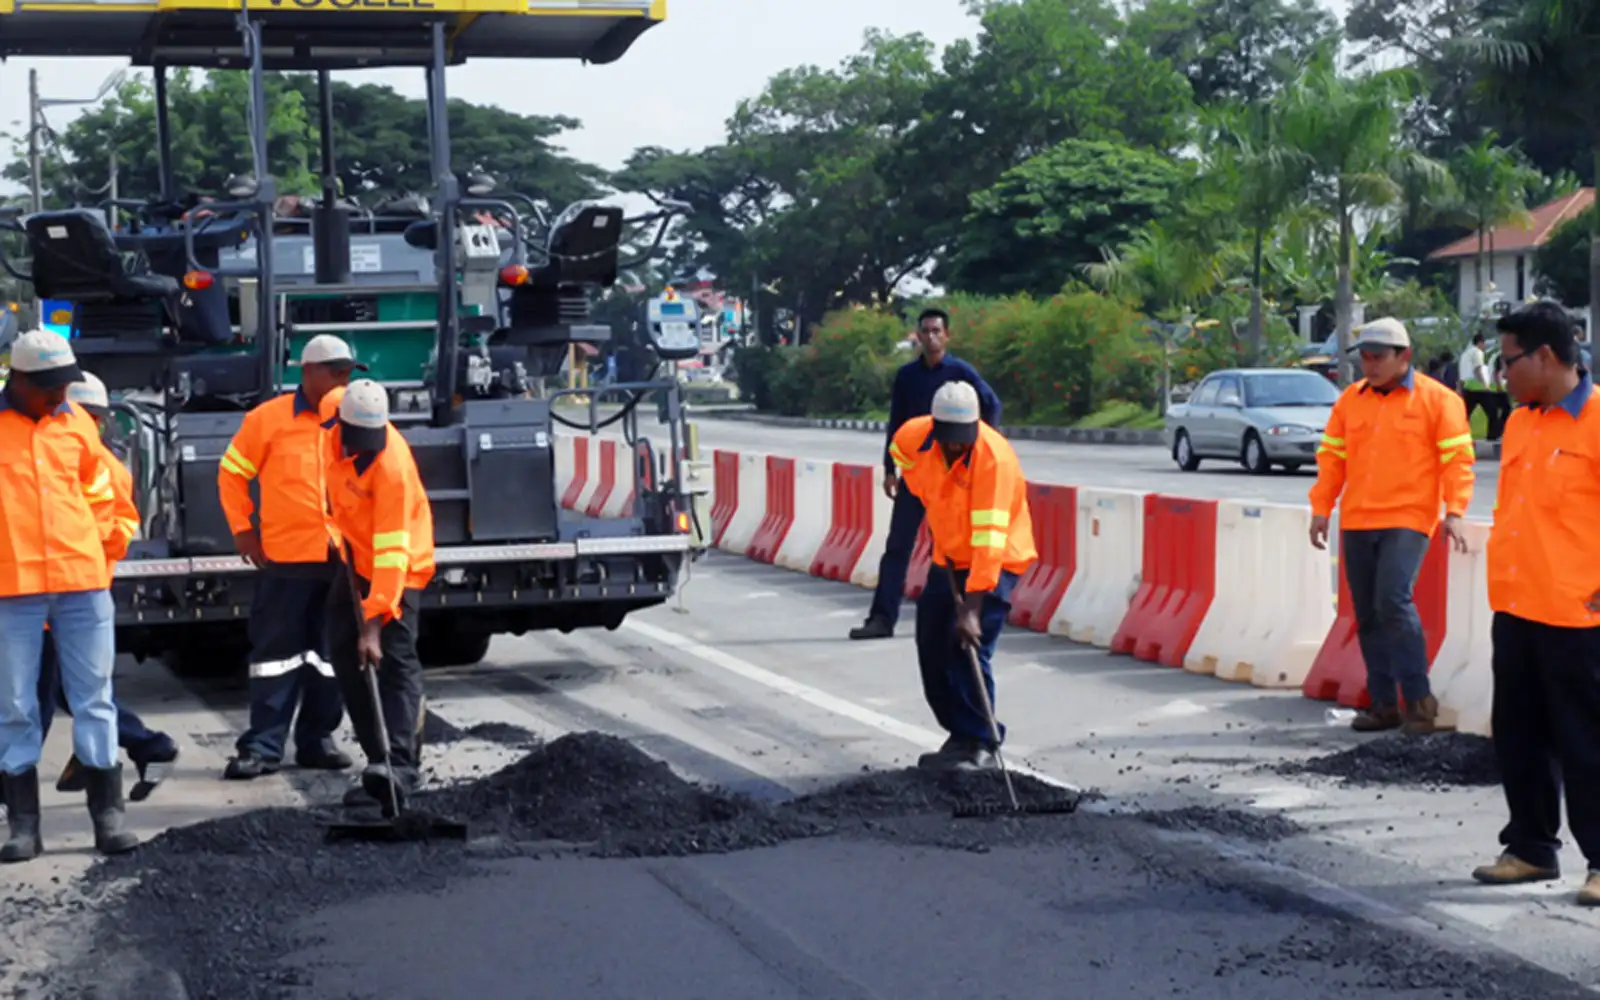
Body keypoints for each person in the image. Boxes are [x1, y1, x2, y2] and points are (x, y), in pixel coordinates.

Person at [1471, 301, 1600, 906]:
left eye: (1508, 361)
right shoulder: (1522, 423)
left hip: (1581, 614)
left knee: (1587, 740)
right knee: (1518, 734)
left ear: (1546, 356)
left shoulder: (1597, 420)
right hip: (1519, 605)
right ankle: (1530, 847)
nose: (1501, 375)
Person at [0, 330, 137, 862]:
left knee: (94, 699)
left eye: (66, 386)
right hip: (13, 590)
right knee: (14, 705)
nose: (62, 396)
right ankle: (23, 828)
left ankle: (108, 818)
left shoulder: (76, 423)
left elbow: (104, 493)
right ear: (21, 380)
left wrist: (103, 556)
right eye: (52, 387)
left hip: (82, 585)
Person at [1308, 317, 1474, 735]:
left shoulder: (1439, 400)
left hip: (1409, 517)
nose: (1369, 364)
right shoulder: (1350, 401)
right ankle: (1383, 705)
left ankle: (1419, 701)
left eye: (1378, 357)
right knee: (1366, 613)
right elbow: (1332, 461)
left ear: (1405, 357)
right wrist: (1321, 509)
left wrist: (1454, 509)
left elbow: (1458, 461)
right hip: (1359, 518)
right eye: (1364, 357)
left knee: (1393, 602)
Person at [216, 335, 363, 780]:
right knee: (277, 654)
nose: (342, 381)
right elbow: (232, 473)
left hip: (340, 560)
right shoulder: (269, 420)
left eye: (347, 374)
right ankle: (263, 745)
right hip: (287, 559)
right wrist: (243, 530)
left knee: (330, 655)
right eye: (335, 372)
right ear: (308, 372)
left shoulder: (352, 418)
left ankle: (317, 739)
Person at [38, 373, 180, 802]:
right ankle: (144, 746)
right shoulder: (102, 466)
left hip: (64, 594)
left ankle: (14, 791)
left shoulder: (85, 466)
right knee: (68, 691)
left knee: (37, 697)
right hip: (75, 592)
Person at [887, 381, 1035, 770]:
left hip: (997, 558)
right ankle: (958, 733)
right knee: (931, 642)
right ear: (934, 428)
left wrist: (971, 608)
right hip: (949, 556)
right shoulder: (914, 437)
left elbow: (989, 540)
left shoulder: (994, 460)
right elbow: (900, 456)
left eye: (963, 439)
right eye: (949, 439)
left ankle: (981, 740)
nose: (956, 446)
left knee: (967, 644)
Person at [850, 308, 1002, 641]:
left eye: (937, 331)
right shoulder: (907, 376)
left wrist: (980, 451)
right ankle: (881, 618)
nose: (931, 337)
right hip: (918, 475)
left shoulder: (961, 374)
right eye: (925, 331)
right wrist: (890, 468)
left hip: (952, 480)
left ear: (947, 336)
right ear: (917, 336)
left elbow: (991, 406)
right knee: (897, 547)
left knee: (951, 550)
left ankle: (959, 616)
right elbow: (896, 422)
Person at [323, 379, 435, 814]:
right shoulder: (334, 431)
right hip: (355, 560)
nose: (369, 448)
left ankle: (402, 767)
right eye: (361, 441)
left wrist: (372, 625)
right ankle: (377, 764)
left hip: (398, 568)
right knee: (343, 654)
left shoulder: (392, 469)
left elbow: (391, 557)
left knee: (393, 658)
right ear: (344, 426)